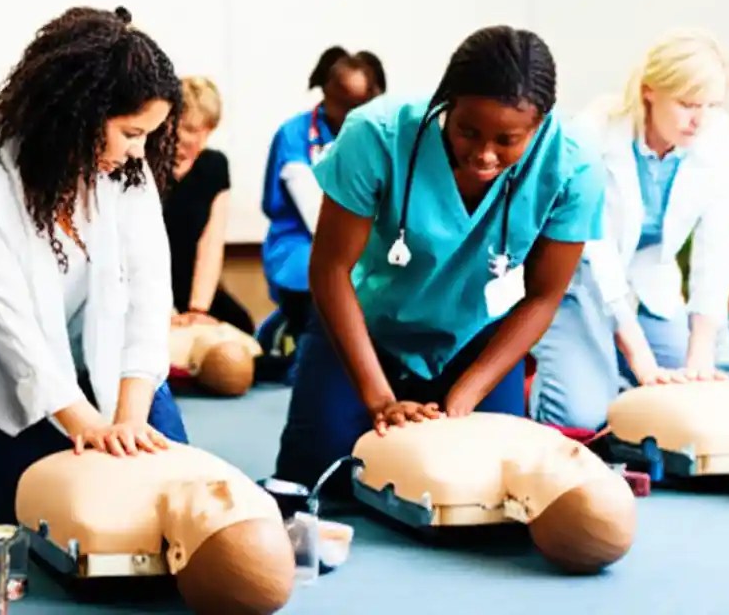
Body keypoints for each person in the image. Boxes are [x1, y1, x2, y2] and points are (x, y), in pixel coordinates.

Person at [271, 25, 606, 490]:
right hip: (364, 327)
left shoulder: (576, 165)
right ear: (446, 100)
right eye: (467, 131)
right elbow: (330, 269)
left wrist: (464, 398)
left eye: (507, 140)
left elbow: (543, 297)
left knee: (488, 486)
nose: (484, 155)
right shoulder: (376, 134)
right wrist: (381, 400)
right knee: (318, 481)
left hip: (476, 338)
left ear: (541, 124)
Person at [0, 5, 190, 523]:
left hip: (114, 371)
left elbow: (148, 295)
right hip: (15, 383)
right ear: (78, 113)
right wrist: (86, 428)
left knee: (164, 505)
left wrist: (128, 420)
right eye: (131, 132)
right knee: (80, 519)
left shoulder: (123, 172)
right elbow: (8, 327)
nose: (140, 152)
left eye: (148, 135)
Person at [529, 30, 729, 430]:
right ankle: (553, 377)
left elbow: (715, 251)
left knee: (687, 396)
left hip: (650, 282)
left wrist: (699, 358)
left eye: (710, 105)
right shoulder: (593, 131)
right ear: (649, 91)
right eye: (687, 104)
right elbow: (599, 252)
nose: (699, 119)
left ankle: (613, 376)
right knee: (581, 416)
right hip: (580, 281)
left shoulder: (719, 137)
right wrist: (641, 360)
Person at [260, 47, 384, 344]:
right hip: (301, 243)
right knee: (326, 277)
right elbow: (317, 220)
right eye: (344, 104)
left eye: (362, 104)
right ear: (325, 93)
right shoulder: (295, 135)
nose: (352, 114)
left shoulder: (379, 135)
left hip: (367, 243)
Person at [164, 76, 254, 334]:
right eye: (190, 129)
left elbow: (211, 244)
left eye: (207, 131)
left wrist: (198, 310)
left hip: (192, 286)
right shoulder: (144, 166)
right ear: (169, 121)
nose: (198, 142)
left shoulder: (214, 166)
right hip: (148, 287)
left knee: (241, 326)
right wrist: (164, 308)